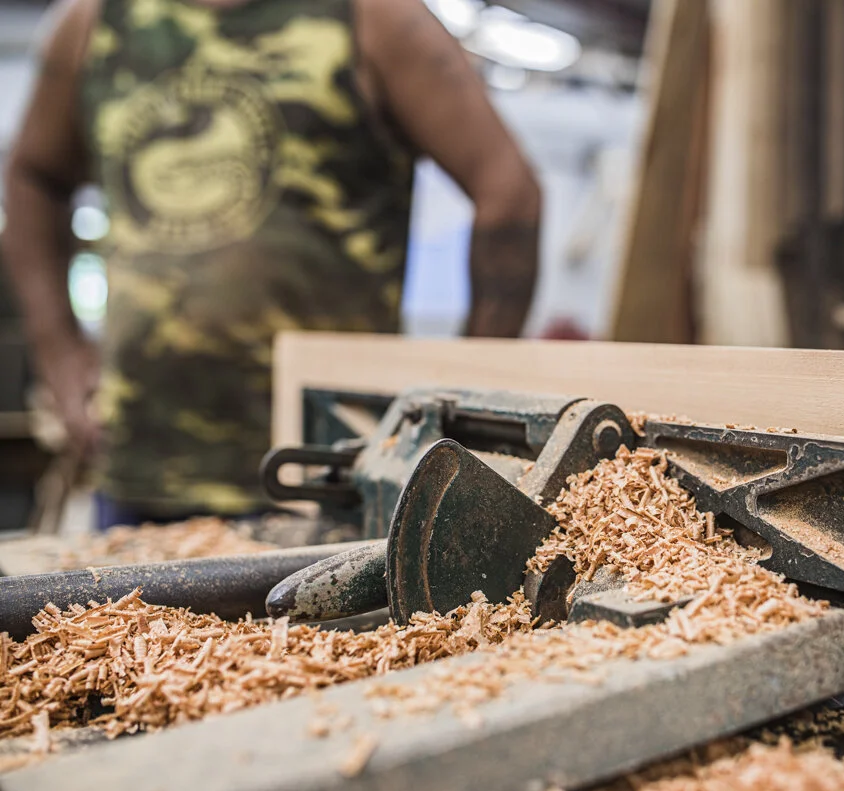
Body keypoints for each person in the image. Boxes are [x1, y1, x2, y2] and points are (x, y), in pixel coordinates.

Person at [2, 0, 541, 528]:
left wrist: (465, 407)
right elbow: (32, 175)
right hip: (140, 462)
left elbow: (507, 190)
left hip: (330, 477)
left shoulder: (373, 17)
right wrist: (57, 349)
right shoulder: (92, 24)